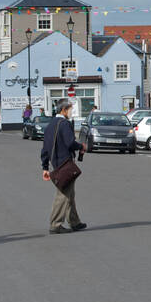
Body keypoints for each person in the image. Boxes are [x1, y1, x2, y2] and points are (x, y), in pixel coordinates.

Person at [41, 100, 86, 235]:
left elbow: (45, 149)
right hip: (65, 162)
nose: (72, 112)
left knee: (69, 193)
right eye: (71, 109)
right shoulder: (65, 124)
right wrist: (81, 147)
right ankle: (55, 224)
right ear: (64, 110)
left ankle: (74, 222)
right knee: (63, 194)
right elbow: (70, 143)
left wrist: (45, 167)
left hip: (55, 163)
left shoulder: (50, 125)